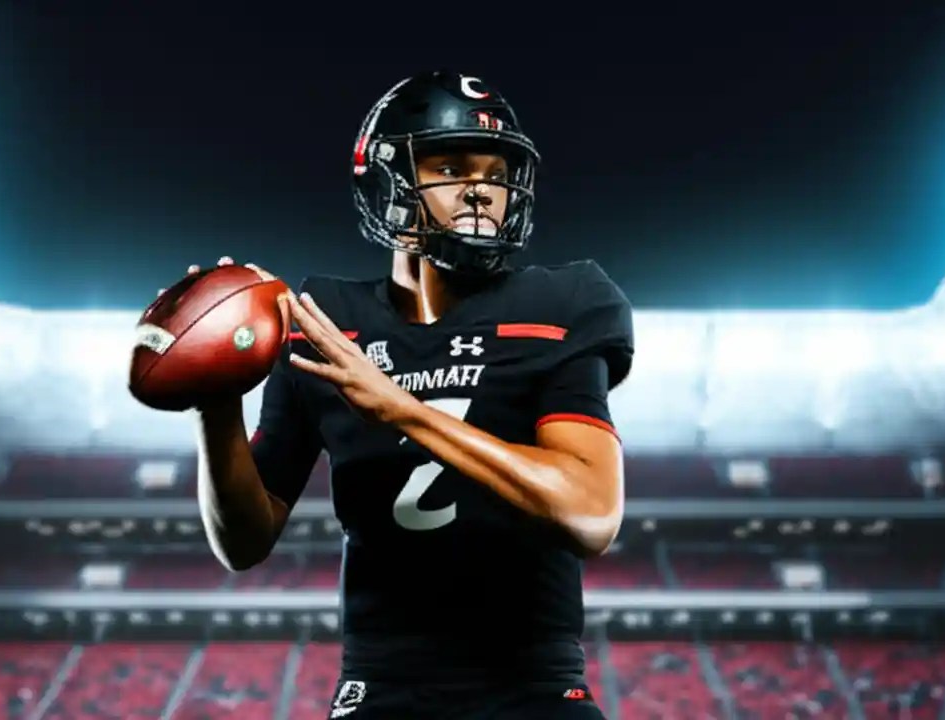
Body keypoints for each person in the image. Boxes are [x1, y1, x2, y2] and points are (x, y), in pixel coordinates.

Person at [187, 69, 634, 719]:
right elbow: (243, 542)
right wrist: (216, 403)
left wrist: (402, 409)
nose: (482, 189)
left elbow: (591, 511)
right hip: (381, 684)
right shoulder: (322, 319)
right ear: (388, 182)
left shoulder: (561, 303)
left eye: (494, 169)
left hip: (533, 684)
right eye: (451, 166)